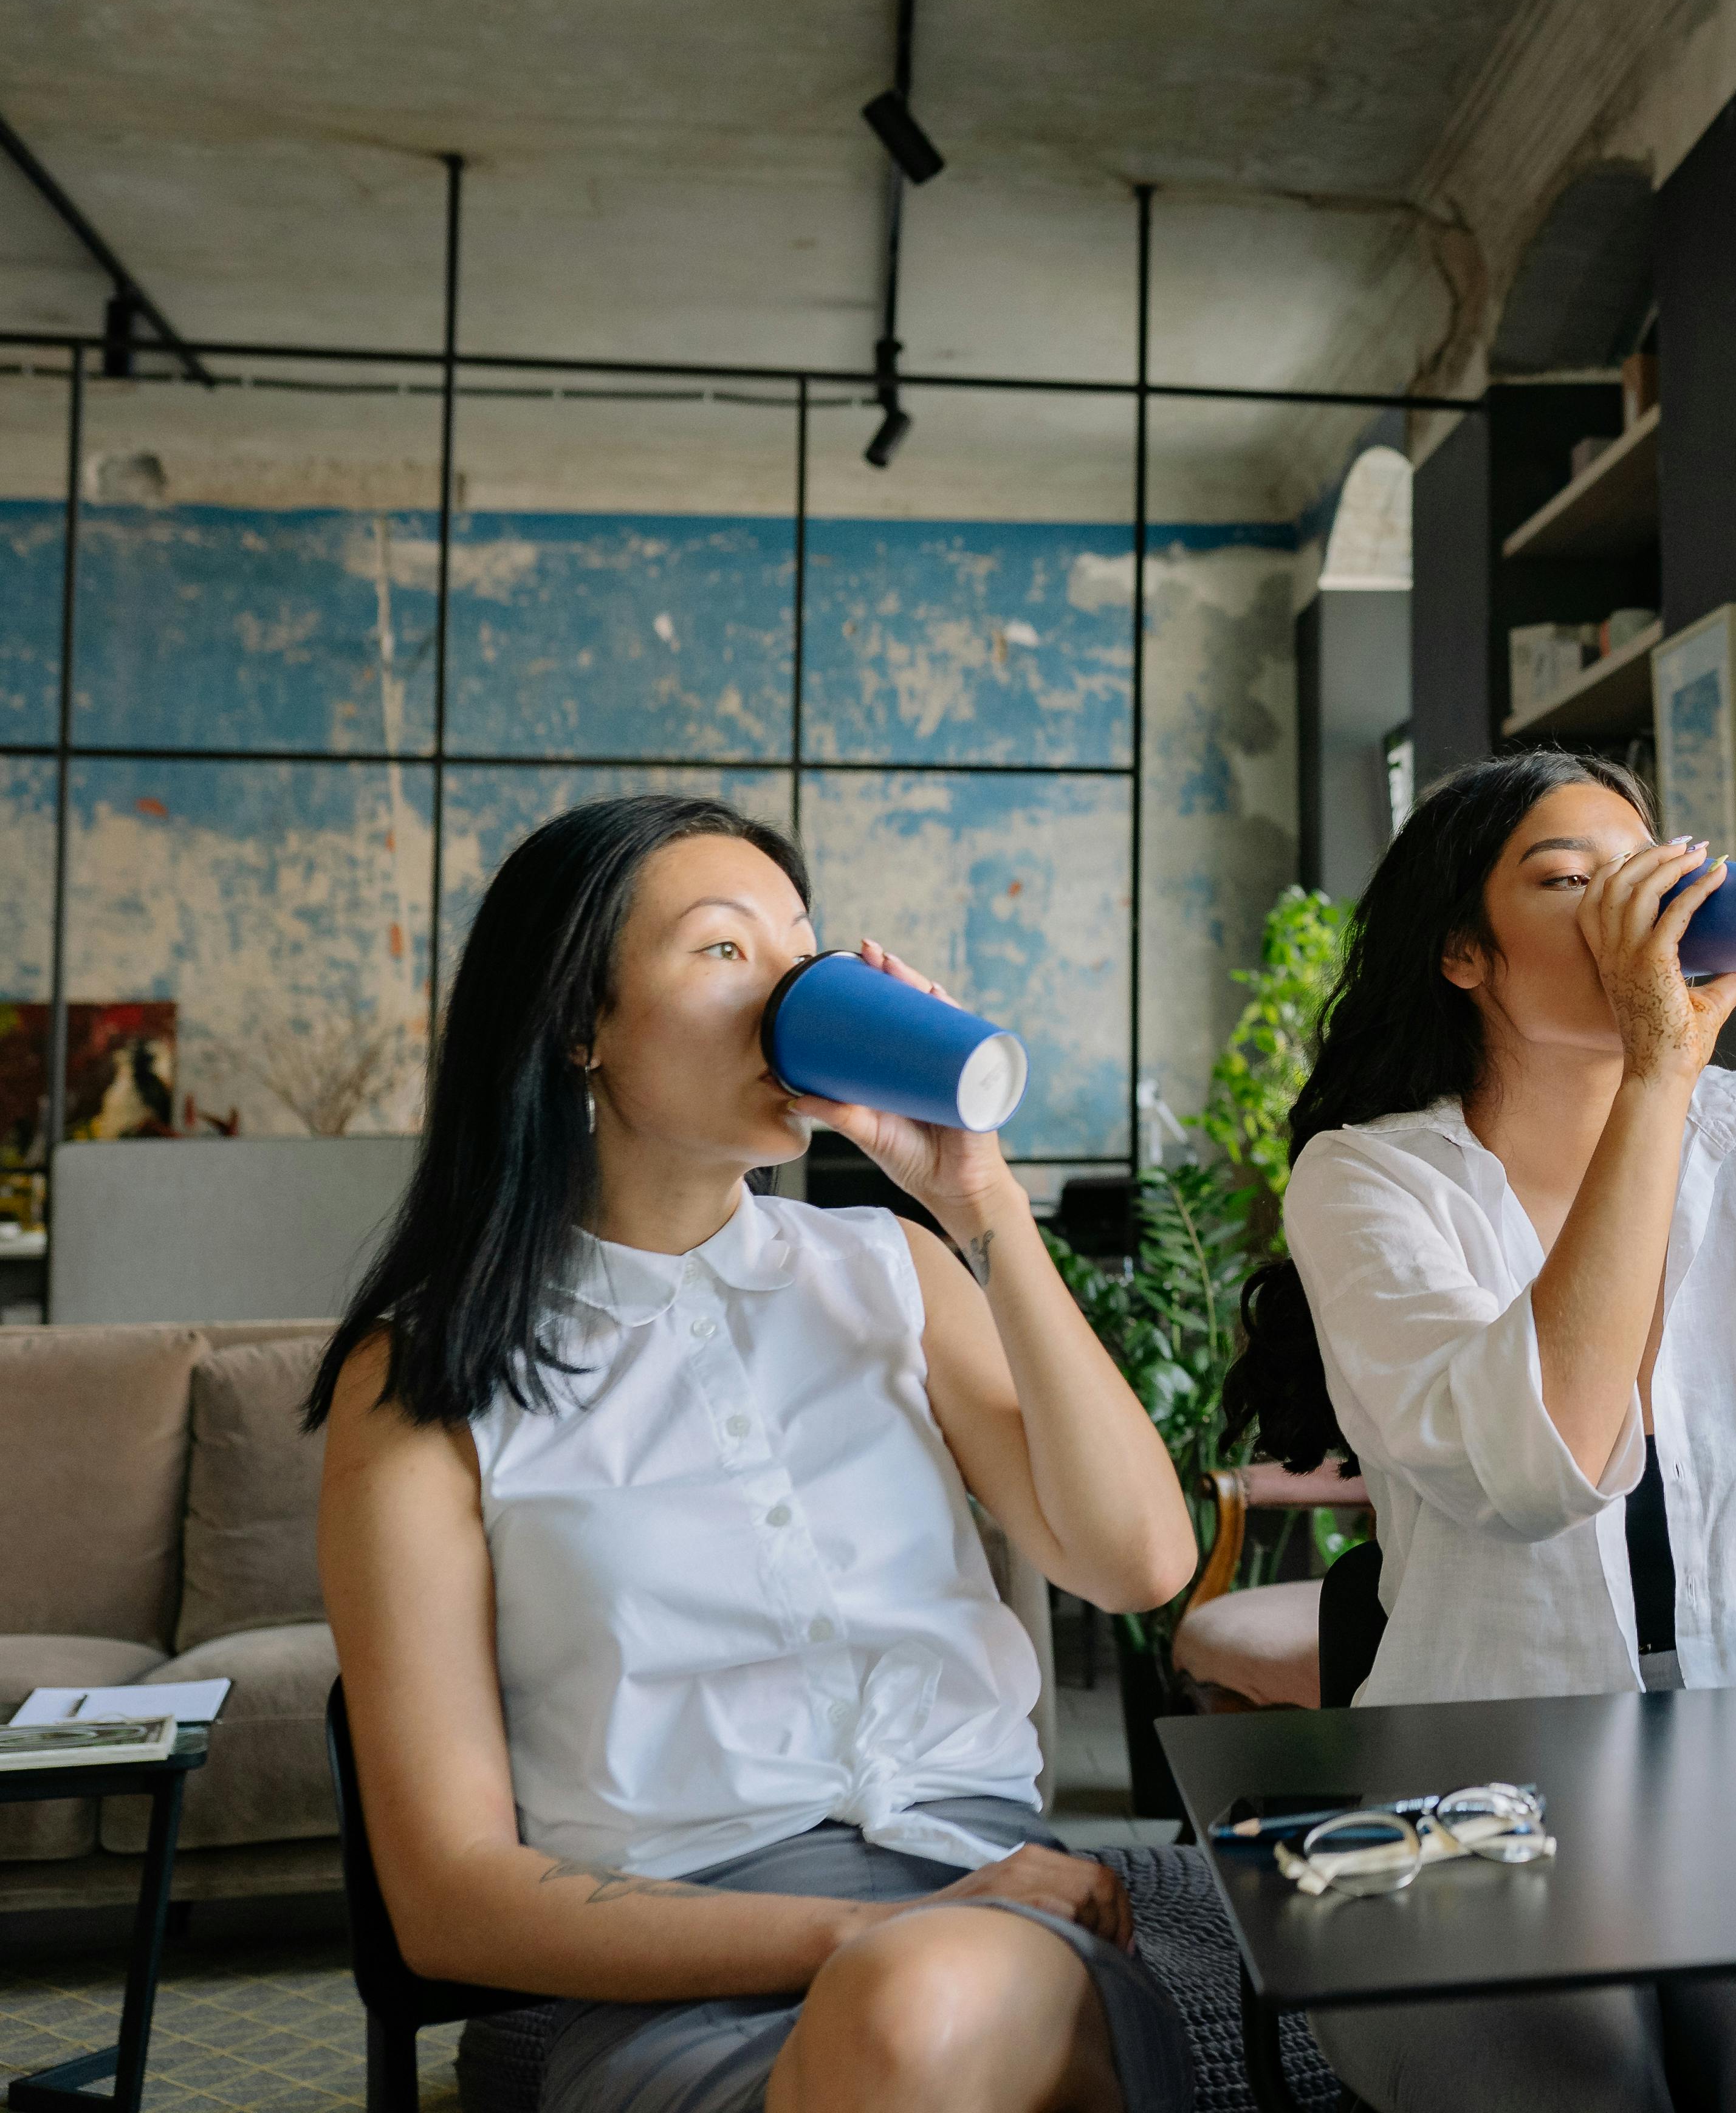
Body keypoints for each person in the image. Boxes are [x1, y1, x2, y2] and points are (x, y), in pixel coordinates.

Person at [310, 795, 1201, 2113]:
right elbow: (449, 1898)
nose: (790, 984)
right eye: (725, 949)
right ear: (581, 1025)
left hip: (1010, 1928)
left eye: (802, 945)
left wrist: (979, 1201)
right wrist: (849, 1939)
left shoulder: (891, 1271)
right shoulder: (426, 1381)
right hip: (679, 1976)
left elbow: (1141, 1560)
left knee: (927, 2001)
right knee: (907, 2002)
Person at [1219, 749, 1736, 2113]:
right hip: (1473, 1792)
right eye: (1569, 881)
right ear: (1465, 950)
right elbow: (1541, 1462)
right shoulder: (1369, 1179)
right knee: (1578, 2069)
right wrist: (1658, 1076)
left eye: (1645, 873)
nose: (1627, 911)